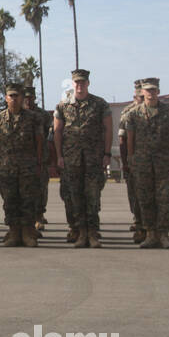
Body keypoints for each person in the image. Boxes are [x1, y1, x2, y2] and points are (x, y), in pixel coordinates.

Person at [54, 69, 112, 248]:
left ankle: (93, 233)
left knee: (92, 197)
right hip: (72, 160)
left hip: (93, 159)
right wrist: (59, 156)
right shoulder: (63, 106)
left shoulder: (100, 104)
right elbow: (57, 132)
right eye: (77, 82)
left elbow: (108, 129)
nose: (79, 85)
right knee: (75, 197)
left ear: (88, 84)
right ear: (73, 84)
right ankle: (80, 233)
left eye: (83, 82)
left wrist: (107, 154)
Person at [125, 78, 169, 248]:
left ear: (158, 91)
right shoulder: (133, 114)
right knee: (145, 199)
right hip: (142, 164)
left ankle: (163, 234)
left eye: (153, 90)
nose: (150, 93)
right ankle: (150, 234)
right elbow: (130, 139)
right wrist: (131, 158)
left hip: (164, 162)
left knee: (165, 199)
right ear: (142, 92)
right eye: (147, 90)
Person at [0, 83, 46, 246]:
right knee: (10, 201)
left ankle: (28, 233)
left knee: (28, 200)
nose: (14, 99)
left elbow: (39, 142)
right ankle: (14, 232)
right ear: (6, 98)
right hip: (7, 168)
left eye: (17, 96)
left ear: (22, 98)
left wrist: (39, 163)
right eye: (11, 96)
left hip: (27, 167)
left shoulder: (34, 118)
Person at [119, 81, 146, 243]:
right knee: (134, 194)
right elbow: (122, 139)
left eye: (144, 96)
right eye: (139, 97)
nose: (142, 99)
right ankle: (138, 220)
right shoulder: (128, 112)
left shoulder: (161, 110)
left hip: (153, 161)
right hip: (134, 161)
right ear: (134, 96)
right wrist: (125, 162)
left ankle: (150, 226)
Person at [23, 85, 52, 234]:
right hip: (23, 159)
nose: (28, 100)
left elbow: (48, 136)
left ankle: (39, 216)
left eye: (30, 97)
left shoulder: (43, 115)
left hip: (40, 157)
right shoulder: (18, 114)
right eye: (26, 97)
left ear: (34, 98)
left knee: (41, 188)